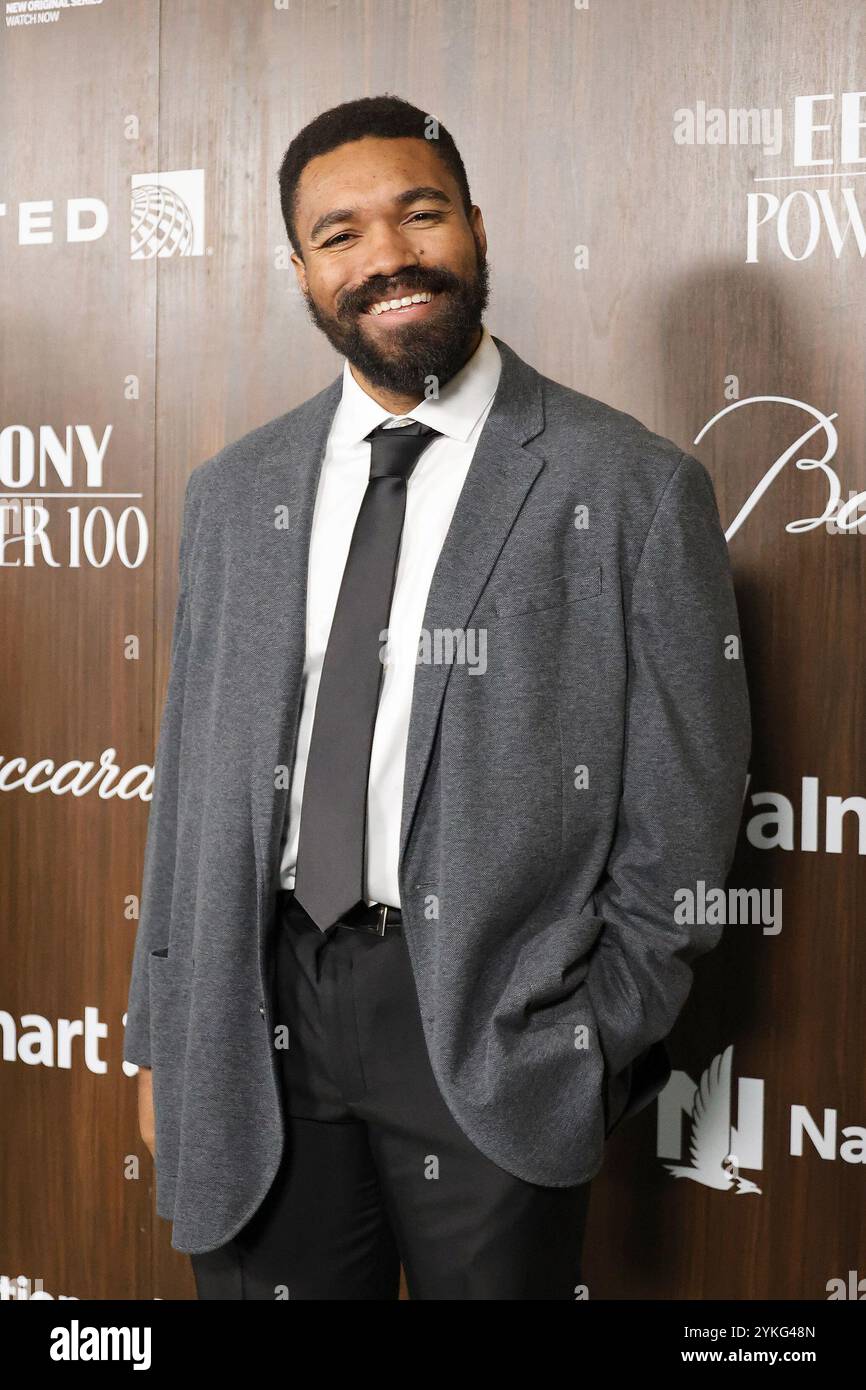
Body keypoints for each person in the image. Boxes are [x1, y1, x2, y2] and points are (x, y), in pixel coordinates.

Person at [124, 94, 751, 1300]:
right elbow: (187, 790)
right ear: (301, 268)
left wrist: (586, 1038)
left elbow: (683, 811)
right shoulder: (232, 491)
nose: (389, 257)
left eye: (421, 215)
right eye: (341, 234)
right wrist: (165, 1035)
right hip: (256, 1015)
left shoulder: (627, 485)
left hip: (485, 1022)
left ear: (477, 228)